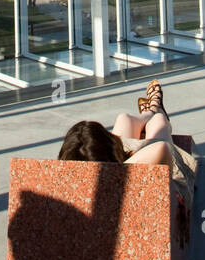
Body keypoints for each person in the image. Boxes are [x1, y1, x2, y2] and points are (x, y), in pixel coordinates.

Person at [58, 80, 196, 211]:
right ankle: (156, 111)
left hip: (117, 164)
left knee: (124, 119)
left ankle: (149, 113)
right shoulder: (112, 178)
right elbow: (161, 149)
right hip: (167, 183)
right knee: (158, 122)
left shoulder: (70, 177)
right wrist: (114, 171)